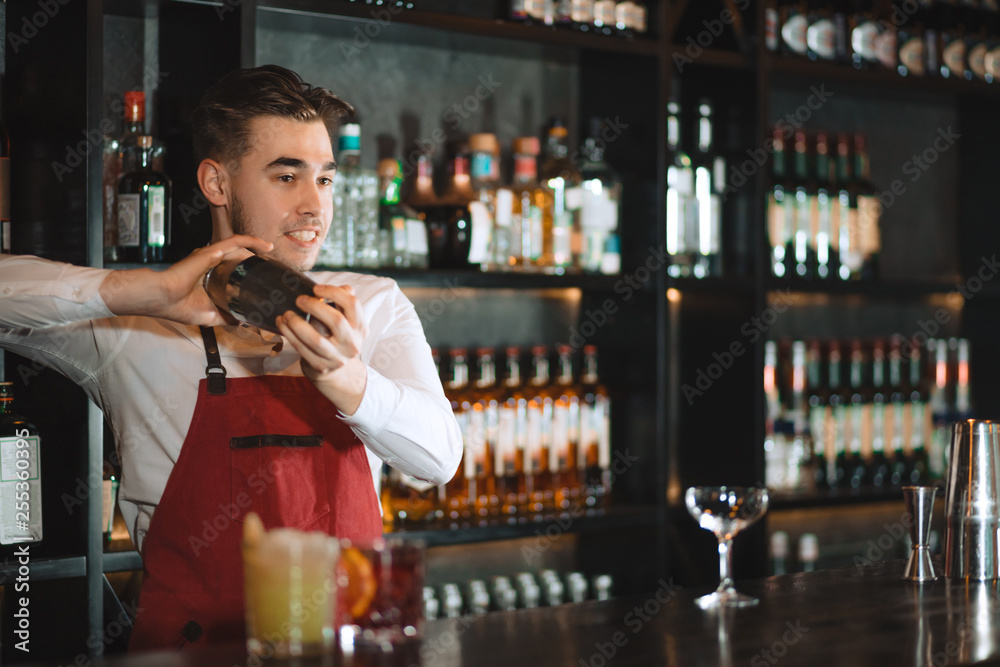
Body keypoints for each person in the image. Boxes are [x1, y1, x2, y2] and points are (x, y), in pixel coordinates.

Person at [0, 65, 462, 651]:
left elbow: (440, 460)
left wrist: (349, 380)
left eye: (324, 178)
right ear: (216, 183)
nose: (313, 205)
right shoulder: (136, 324)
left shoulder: (370, 303)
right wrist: (137, 291)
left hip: (340, 654)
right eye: (286, 176)